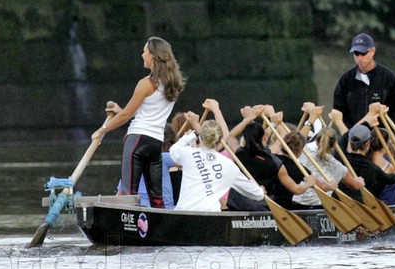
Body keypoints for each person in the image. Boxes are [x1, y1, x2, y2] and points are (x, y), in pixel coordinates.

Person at [92, 36, 187, 209]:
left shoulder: (146, 84)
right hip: (155, 144)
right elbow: (145, 110)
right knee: (157, 199)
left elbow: (126, 116)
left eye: (144, 52)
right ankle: (158, 223)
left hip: (137, 141)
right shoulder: (172, 85)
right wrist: (121, 110)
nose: (142, 55)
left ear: (153, 56)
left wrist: (101, 130)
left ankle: (128, 223)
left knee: (128, 195)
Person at [168, 120, 267, 212]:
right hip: (211, 215)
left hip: (183, 213)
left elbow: (173, 149)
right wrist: (260, 192)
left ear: (201, 137)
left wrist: (192, 135)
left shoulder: (188, 153)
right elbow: (253, 193)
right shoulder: (229, 165)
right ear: (220, 141)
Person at [333, 32, 395, 129]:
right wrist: (352, 134)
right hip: (353, 135)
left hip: (380, 135)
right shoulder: (345, 80)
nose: (360, 58)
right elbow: (339, 111)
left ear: (373, 51)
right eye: (356, 53)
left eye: (363, 53)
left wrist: (383, 134)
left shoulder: (389, 78)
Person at [293, 123, 364, 207]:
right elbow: (356, 185)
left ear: (316, 141)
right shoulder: (339, 167)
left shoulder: (304, 152)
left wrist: (310, 121)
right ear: (334, 144)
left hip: (297, 204)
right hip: (322, 206)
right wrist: (360, 181)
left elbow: (297, 140)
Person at [116, 123, 178, 208]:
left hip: (138, 208)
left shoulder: (129, 166)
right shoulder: (164, 157)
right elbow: (189, 160)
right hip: (164, 208)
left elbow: (119, 195)